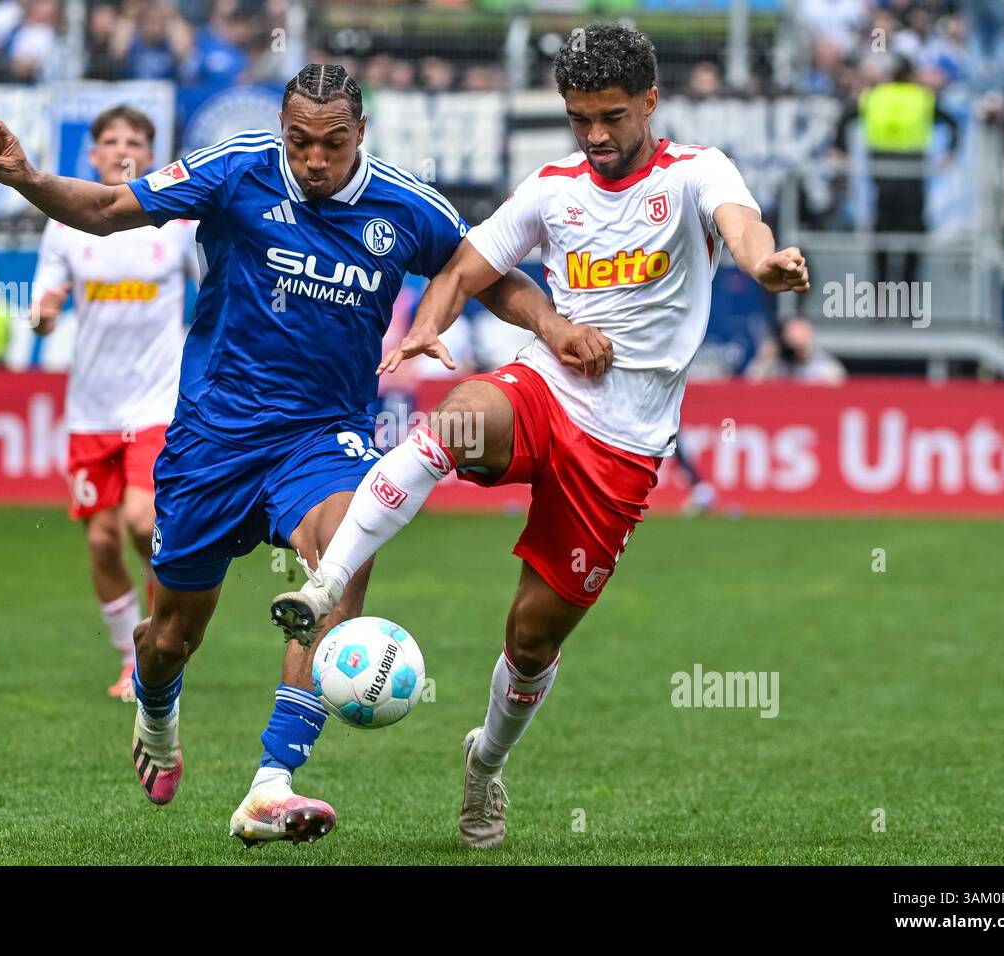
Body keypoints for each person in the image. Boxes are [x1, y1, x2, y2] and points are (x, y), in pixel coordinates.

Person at [0, 63, 560, 847]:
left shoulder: (407, 208)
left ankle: (271, 784)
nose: (314, 160)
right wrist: (27, 176)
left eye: (333, 145)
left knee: (344, 551)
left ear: (361, 136)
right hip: (212, 438)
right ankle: (157, 711)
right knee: (170, 637)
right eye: (300, 142)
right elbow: (106, 209)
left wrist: (553, 328)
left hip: (323, 435)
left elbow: (485, 275)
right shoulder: (236, 168)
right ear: (282, 132)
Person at [270, 24, 809, 849]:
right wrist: (427, 328)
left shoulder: (698, 174)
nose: (596, 135)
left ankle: (484, 764)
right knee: (449, 424)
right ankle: (322, 589)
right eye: (580, 117)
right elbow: (463, 268)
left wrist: (765, 264)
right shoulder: (552, 188)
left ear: (651, 102)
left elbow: (743, 230)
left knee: (529, 640)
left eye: (613, 116)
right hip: (544, 390)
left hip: (623, 446)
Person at [28, 105, 201, 701]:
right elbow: (46, 295)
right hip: (90, 410)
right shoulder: (65, 226)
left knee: (142, 520)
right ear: (94, 155)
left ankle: (163, 641)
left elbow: (215, 290)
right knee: (102, 540)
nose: (122, 148)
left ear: (151, 158)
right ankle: (133, 656)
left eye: (134, 140)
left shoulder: (175, 226)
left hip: (155, 405)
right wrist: (44, 313)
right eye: (110, 140)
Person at [834, 56, 959, 287]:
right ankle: (910, 299)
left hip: (883, 178)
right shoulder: (922, 98)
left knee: (882, 236)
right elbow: (951, 122)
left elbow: (845, 119)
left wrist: (840, 149)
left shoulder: (874, 97)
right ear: (911, 75)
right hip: (912, 177)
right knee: (912, 237)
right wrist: (950, 152)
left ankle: (881, 297)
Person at [744, 317, 846, 385]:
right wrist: (765, 359)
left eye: (801, 339)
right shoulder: (776, 363)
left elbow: (840, 384)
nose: (796, 347)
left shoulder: (822, 365)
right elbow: (750, 383)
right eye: (792, 340)